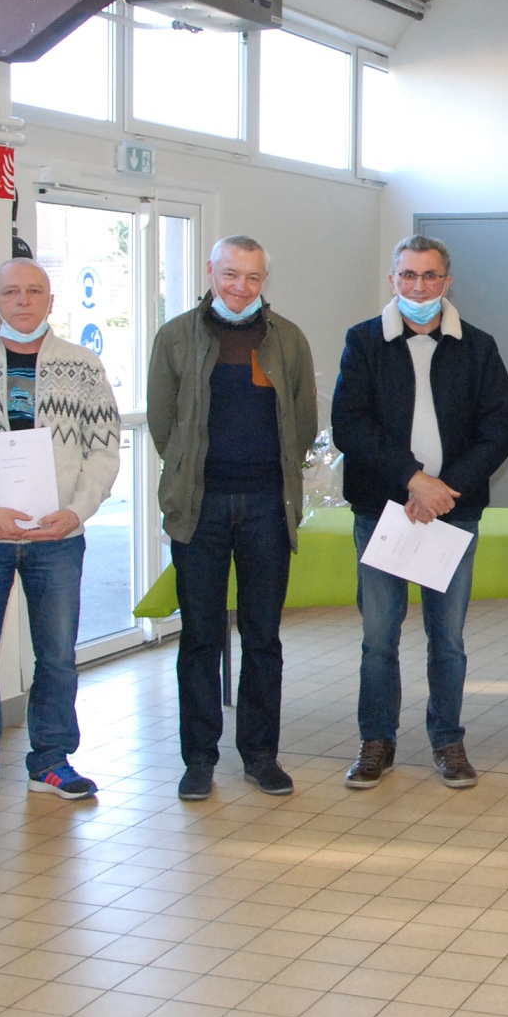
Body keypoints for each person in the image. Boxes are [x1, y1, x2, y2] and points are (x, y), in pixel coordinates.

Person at [0, 259, 121, 812]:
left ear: (50, 301)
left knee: (57, 656)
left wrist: (77, 511)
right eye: (11, 292)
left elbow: (104, 450)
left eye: (35, 291)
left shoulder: (83, 368)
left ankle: (52, 763)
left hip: (56, 538)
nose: (23, 301)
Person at [331, 235, 508, 790]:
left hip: (451, 513)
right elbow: (350, 425)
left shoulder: (477, 347)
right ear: (393, 280)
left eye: (430, 276)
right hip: (382, 512)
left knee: (448, 639)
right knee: (379, 636)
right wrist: (414, 481)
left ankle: (448, 741)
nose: (419, 287)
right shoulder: (363, 342)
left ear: (446, 282)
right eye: (408, 276)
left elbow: (496, 430)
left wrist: (443, 490)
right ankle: (376, 741)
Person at [148, 236, 318, 801]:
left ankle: (261, 754)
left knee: (263, 636)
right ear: (210, 272)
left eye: (251, 277)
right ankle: (198, 758)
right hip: (201, 509)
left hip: (268, 507)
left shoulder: (287, 339)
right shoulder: (176, 336)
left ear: (265, 279)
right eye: (229, 275)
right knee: (200, 636)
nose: (240, 287)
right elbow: (162, 423)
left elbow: (301, 422)